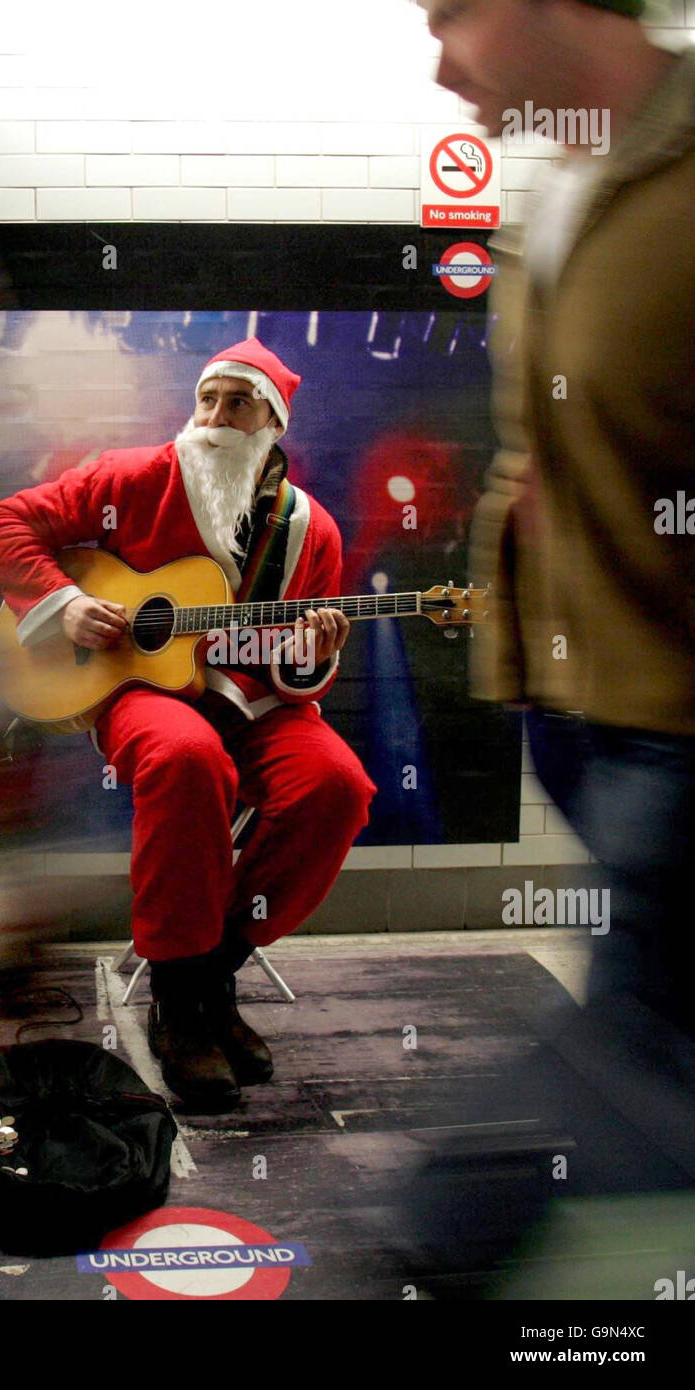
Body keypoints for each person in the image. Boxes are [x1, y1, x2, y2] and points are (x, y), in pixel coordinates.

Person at [403, 0, 695, 1290]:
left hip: (679, 741)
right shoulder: (569, 190)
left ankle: (449, 1248)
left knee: (614, 1074)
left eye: (450, 14)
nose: (439, 59)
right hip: (583, 721)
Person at [0, 337, 376, 1110]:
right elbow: (9, 521)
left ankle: (206, 976)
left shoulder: (311, 530)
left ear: (274, 419)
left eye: (238, 402)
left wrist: (310, 651)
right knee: (189, 756)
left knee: (339, 785)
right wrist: (67, 603)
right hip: (142, 692)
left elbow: (299, 675)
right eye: (208, 398)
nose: (216, 417)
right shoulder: (130, 477)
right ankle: (181, 1004)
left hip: (257, 704)